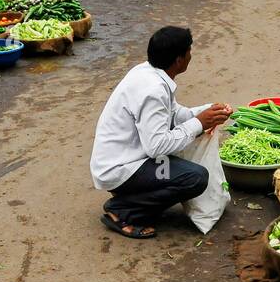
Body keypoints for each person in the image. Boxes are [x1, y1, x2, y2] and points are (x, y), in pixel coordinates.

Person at [89, 26, 232, 239]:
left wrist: (206, 111)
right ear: (179, 60)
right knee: (195, 177)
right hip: (121, 167)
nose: (191, 55)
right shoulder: (153, 91)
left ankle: (133, 196)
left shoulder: (148, 72)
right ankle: (122, 211)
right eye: (189, 51)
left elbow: (174, 114)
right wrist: (198, 124)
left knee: (182, 164)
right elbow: (156, 147)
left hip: (127, 158)